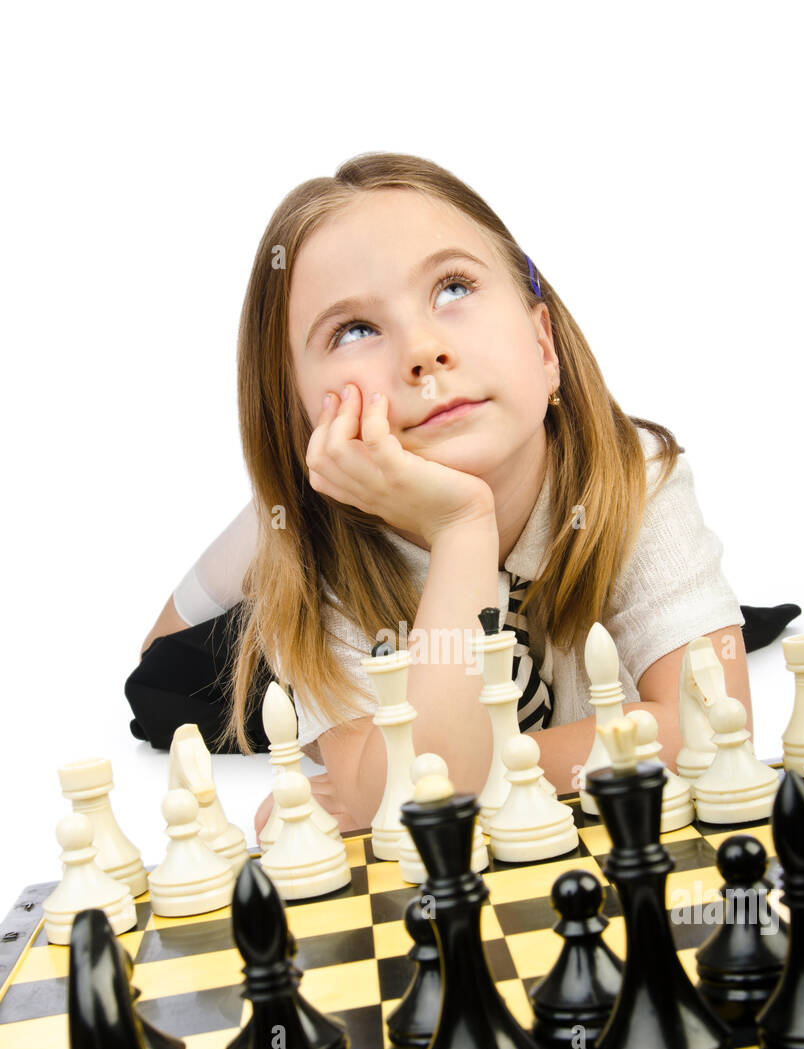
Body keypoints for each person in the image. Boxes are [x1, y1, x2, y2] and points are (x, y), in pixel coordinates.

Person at [139, 151, 751, 841]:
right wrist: (463, 528)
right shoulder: (314, 558)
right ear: (304, 416)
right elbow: (413, 802)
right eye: (355, 330)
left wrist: (472, 770)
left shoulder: (635, 476)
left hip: (531, 575)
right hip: (310, 569)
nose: (422, 350)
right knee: (162, 673)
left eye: (453, 287)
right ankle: (261, 522)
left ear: (543, 345)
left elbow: (716, 725)